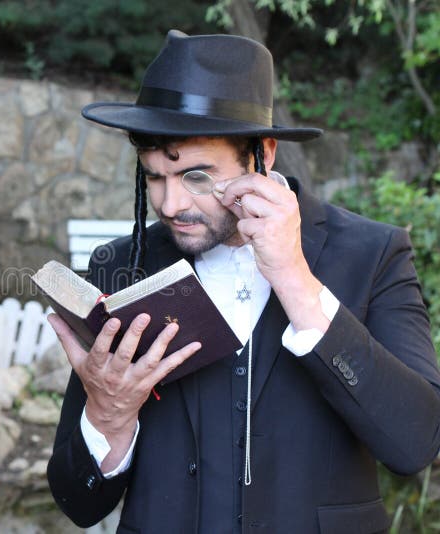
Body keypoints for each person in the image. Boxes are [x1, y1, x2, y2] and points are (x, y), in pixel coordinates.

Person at [45, 30, 440, 533]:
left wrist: (295, 279)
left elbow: (416, 443)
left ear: (264, 155)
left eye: (197, 176)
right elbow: (78, 505)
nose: (171, 205)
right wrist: (107, 415)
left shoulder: (372, 255)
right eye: (155, 176)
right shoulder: (120, 266)